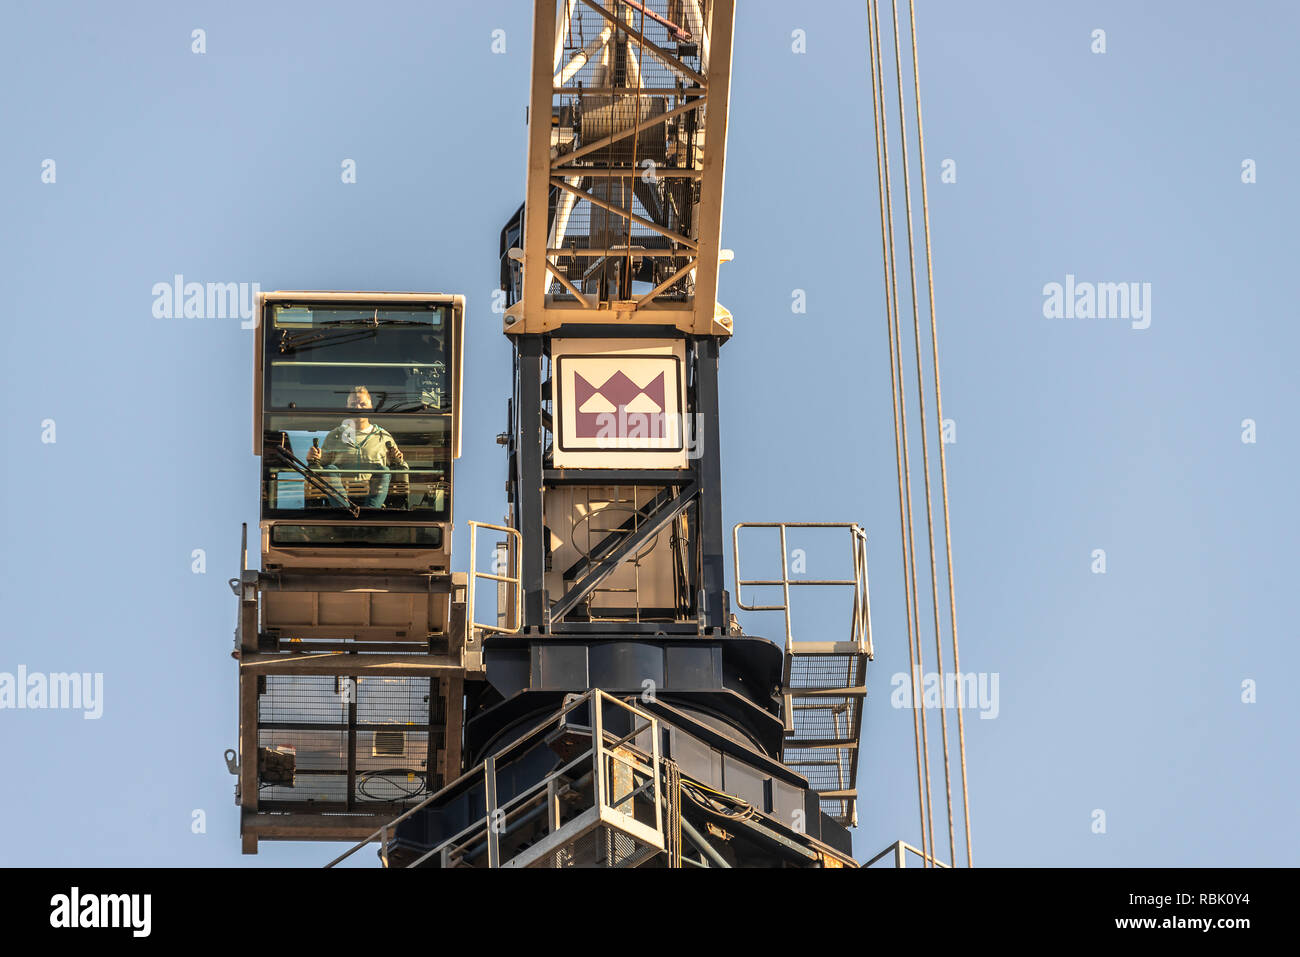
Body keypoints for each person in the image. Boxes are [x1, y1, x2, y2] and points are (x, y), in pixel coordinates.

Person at [306, 386, 407, 508]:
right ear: (347, 408)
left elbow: (399, 469)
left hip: (373, 497)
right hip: (341, 498)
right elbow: (320, 470)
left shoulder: (384, 437)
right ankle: (344, 512)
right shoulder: (334, 436)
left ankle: (370, 513)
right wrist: (313, 459)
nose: (358, 407)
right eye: (353, 404)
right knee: (330, 468)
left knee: (384, 471)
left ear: (370, 407)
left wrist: (399, 460)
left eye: (362, 404)